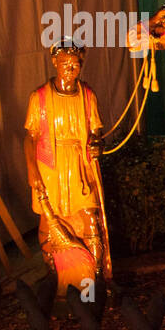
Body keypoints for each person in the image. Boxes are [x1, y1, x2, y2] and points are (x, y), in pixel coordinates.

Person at [24, 38, 111, 298]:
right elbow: (30, 136)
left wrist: (97, 143)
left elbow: (96, 130)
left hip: (80, 168)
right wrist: (32, 170)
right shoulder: (39, 98)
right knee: (51, 224)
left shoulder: (87, 95)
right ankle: (59, 283)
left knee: (90, 222)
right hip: (51, 169)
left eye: (75, 65)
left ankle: (93, 282)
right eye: (65, 64)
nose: (70, 70)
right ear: (55, 63)